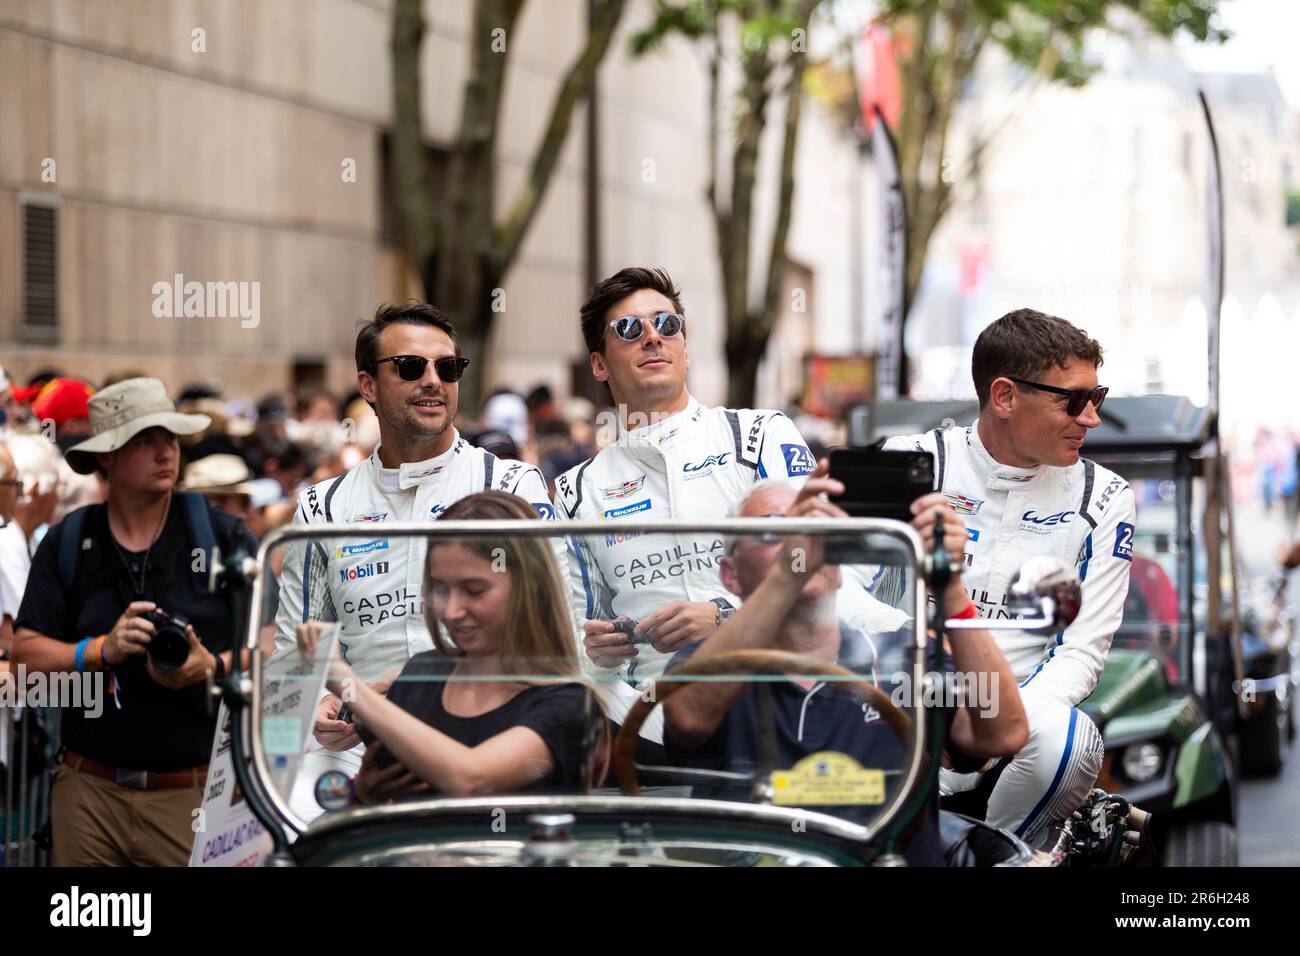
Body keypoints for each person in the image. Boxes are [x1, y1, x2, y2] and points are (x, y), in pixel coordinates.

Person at [274, 300, 555, 819]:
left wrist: (410, 685)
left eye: (447, 368)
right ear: (367, 386)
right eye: (410, 367)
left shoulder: (511, 486)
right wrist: (315, 705)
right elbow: (297, 646)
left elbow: (557, 630)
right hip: (362, 753)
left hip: (488, 735)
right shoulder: (323, 505)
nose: (433, 381)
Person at [662, 467, 1028, 864]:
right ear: (730, 575)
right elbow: (688, 719)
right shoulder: (708, 662)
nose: (803, 542)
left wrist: (950, 583)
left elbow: (1003, 734)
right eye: (774, 530)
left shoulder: (904, 660)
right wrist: (791, 569)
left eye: (819, 531)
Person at [880, 308, 1134, 841]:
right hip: (900, 707)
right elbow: (849, 600)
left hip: (1018, 728)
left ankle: (998, 854)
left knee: (1072, 740)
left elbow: (1082, 652)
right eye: (1074, 400)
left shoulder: (1105, 497)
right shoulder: (911, 464)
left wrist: (989, 732)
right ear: (1004, 396)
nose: (1091, 418)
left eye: (1098, 398)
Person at [554, 267, 817, 735]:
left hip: (783, 704)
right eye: (630, 329)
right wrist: (593, 649)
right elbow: (571, 632)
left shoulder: (758, 436)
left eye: (668, 325)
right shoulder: (578, 491)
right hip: (653, 734)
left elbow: (821, 570)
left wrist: (725, 620)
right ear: (599, 364)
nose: (653, 338)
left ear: (685, 348)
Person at [11, 378, 258, 866]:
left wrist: (209, 666)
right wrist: (101, 649)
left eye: (170, 438)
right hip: (89, 792)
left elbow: (271, 645)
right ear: (107, 457)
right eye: (145, 440)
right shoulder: (68, 543)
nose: (165, 452)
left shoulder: (224, 538)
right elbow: (24, 659)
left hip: (192, 792)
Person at [296, 493, 595, 802]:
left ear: (529, 587)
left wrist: (346, 682)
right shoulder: (420, 677)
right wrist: (365, 796)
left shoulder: (567, 702)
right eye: (440, 589)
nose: (451, 611)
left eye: (474, 590)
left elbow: (471, 779)